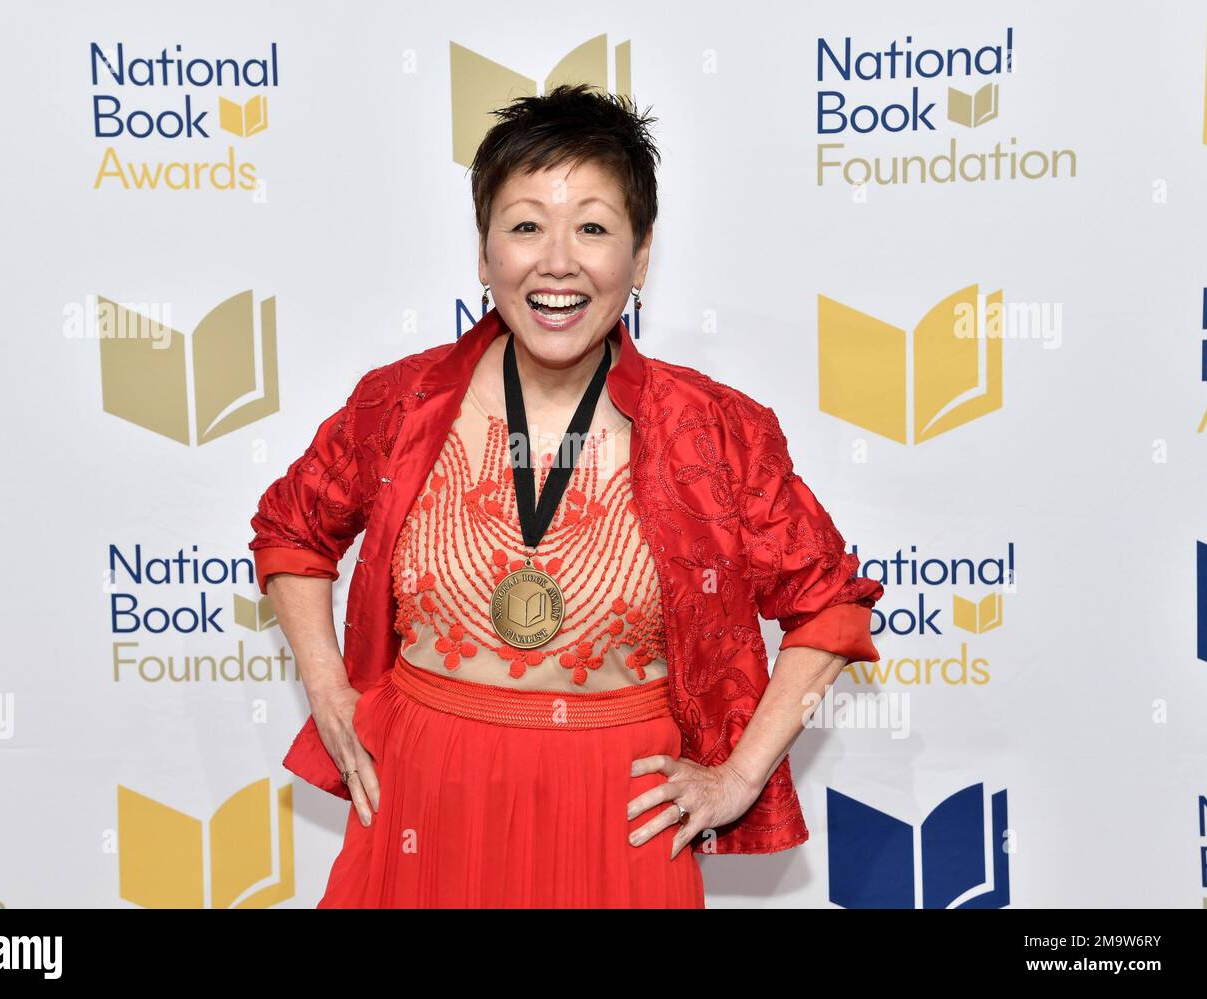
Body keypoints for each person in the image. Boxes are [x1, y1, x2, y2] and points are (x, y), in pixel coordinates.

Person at [248, 83, 885, 908]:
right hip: (421, 797)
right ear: (484, 256)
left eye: (592, 226)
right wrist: (330, 692)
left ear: (641, 254)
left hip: (619, 816)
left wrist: (736, 778)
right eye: (524, 226)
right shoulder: (399, 405)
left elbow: (829, 604)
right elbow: (292, 530)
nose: (557, 261)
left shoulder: (713, 430)